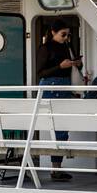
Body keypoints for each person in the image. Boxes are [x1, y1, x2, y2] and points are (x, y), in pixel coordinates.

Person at [34, 19, 81, 181]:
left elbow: (73, 66)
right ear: (53, 32)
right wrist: (60, 67)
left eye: (68, 34)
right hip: (51, 86)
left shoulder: (67, 46)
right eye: (63, 34)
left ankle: (57, 168)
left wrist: (76, 64)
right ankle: (55, 169)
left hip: (64, 86)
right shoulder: (45, 48)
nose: (66, 37)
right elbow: (40, 73)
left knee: (62, 128)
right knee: (57, 128)